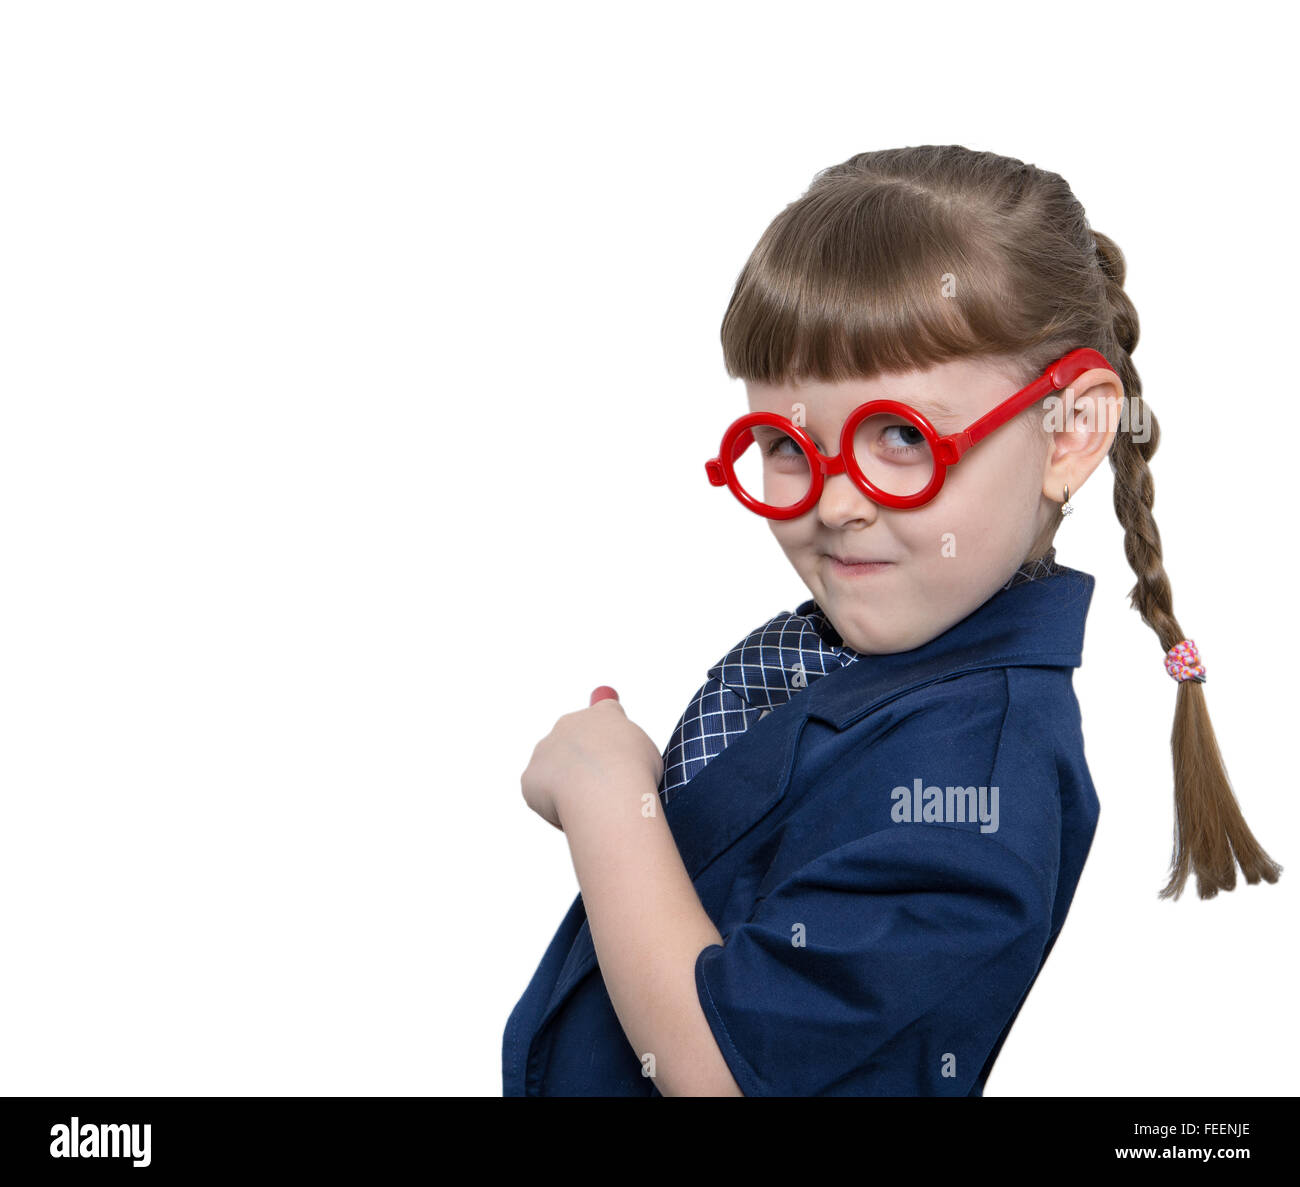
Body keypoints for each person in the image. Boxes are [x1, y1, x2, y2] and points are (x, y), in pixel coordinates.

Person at [503, 145, 1281, 1098]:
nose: (835, 504)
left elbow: (720, 1071)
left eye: (903, 437)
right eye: (787, 444)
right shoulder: (841, 658)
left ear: (1070, 431)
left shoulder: (977, 784)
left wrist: (606, 798)